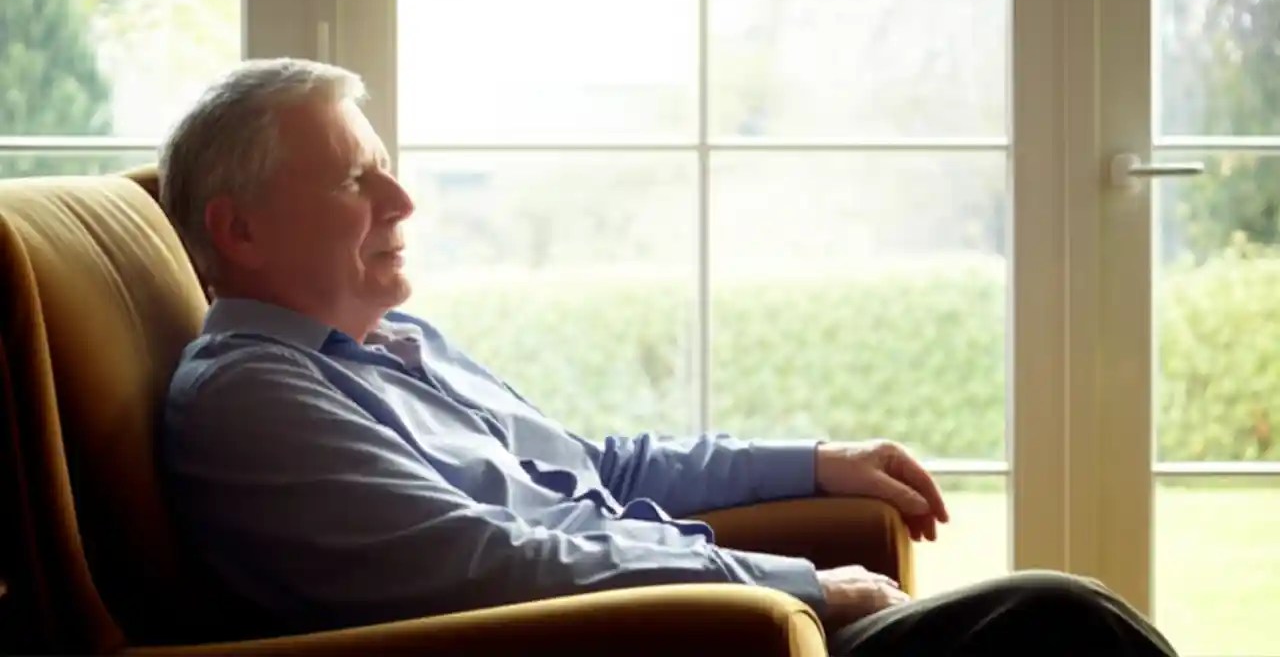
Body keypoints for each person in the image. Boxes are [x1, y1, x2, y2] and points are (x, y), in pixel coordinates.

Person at [158, 58, 1177, 656]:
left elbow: (590, 471)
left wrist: (815, 464)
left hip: (704, 619)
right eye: (355, 182)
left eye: (387, 174)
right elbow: (493, 568)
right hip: (663, 646)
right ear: (237, 230)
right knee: (1056, 626)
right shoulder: (253, 397)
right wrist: (804, 585)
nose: (403, 204)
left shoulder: (395, 347)